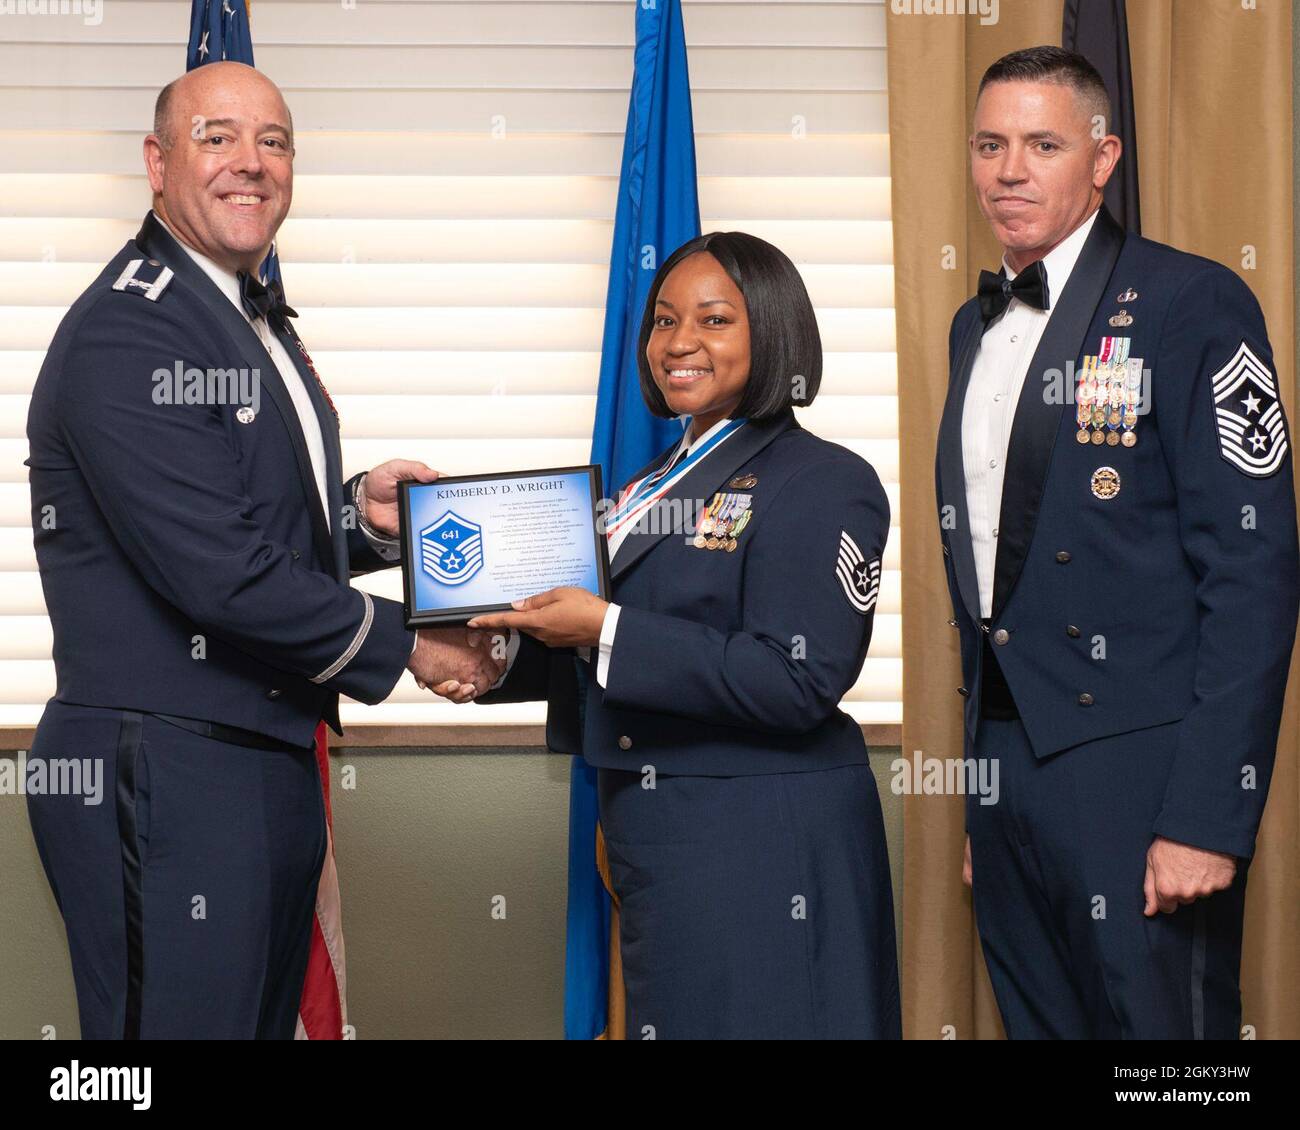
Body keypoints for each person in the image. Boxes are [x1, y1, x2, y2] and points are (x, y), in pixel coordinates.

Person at [24, 62, 500, 1039]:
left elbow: (239, 518)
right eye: (218, 137)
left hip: (254, 755)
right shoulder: (134, 329)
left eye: (273, 141)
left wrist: (362, 516)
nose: (250, 162)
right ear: (158, 163)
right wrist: (412, 642)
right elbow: (219, 571)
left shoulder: (239, 312)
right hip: (170, 764)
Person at [936, 46, 1299, 1039]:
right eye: (990, 144)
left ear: (1102, 159)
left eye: (1042, 144)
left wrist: (1204, 816)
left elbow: (1253, 572)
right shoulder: (974, 325)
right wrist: (988, 802)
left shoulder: (1191, 303)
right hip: (1009, 769)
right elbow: (989, 577)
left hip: (1142, 771)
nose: (1009, 170)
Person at [470, 231, 900, 1039]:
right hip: (661, 839)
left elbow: (796, 678)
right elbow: (611, 646)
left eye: (713, 320)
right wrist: (492, 661)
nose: (679, 344)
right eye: (664, 321)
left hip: (764, 844)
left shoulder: (825, 480)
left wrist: (603, 625)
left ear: (772, 331)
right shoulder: (647, 486)